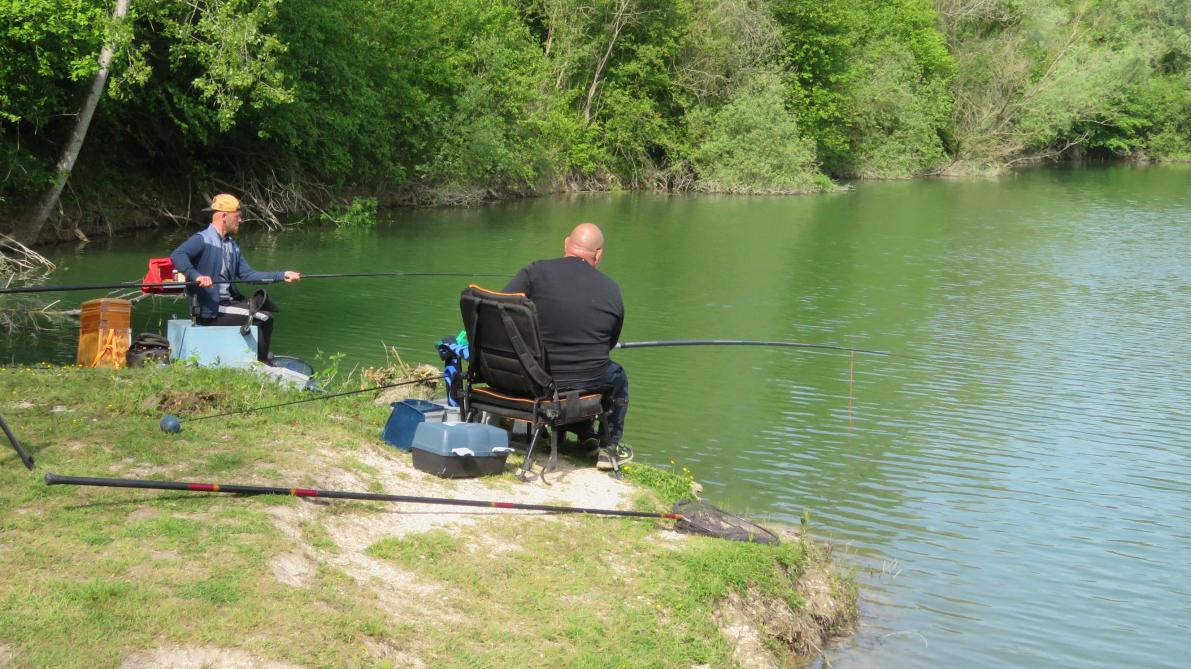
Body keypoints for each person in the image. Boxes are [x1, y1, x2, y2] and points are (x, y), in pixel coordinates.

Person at [503, 222, 630, 469]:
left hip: (533, 378)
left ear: (565, 244)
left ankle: (581, 431)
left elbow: (500, 310)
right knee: (617, 377)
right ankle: (609, 447)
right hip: (586, 381)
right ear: (598, 253)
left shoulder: (534, 272)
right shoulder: (612, 289)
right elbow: (609, 344)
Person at [170, 193, 300, 363]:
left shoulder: (232, 245)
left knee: (264, 309)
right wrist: (197, 276)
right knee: (264, 318)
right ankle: (261, 364)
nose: (240, 220)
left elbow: (249, 276)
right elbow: (177, 255)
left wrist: (281, 275)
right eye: (237, 216)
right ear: (224, 216)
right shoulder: (201, 240)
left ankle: (256, 355)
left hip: (227, 305)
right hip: (211, 310)